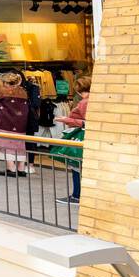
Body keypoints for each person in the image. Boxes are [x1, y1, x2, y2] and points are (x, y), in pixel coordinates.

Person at [0, 70, 30, 177]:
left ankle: (11, 168)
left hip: (5, 124)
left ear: (6, 82)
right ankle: (21, 168)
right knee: (19, 145)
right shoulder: (23, 92)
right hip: (21, 124)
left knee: (3, 144)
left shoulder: (5, 93)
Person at [57, 75, 90, 204]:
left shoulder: (84, 102)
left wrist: (66, 120)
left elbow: (86, 122)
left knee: (76, 165)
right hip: (86, 135)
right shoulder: (93, 100)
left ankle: (77, 195)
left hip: (81, 135)